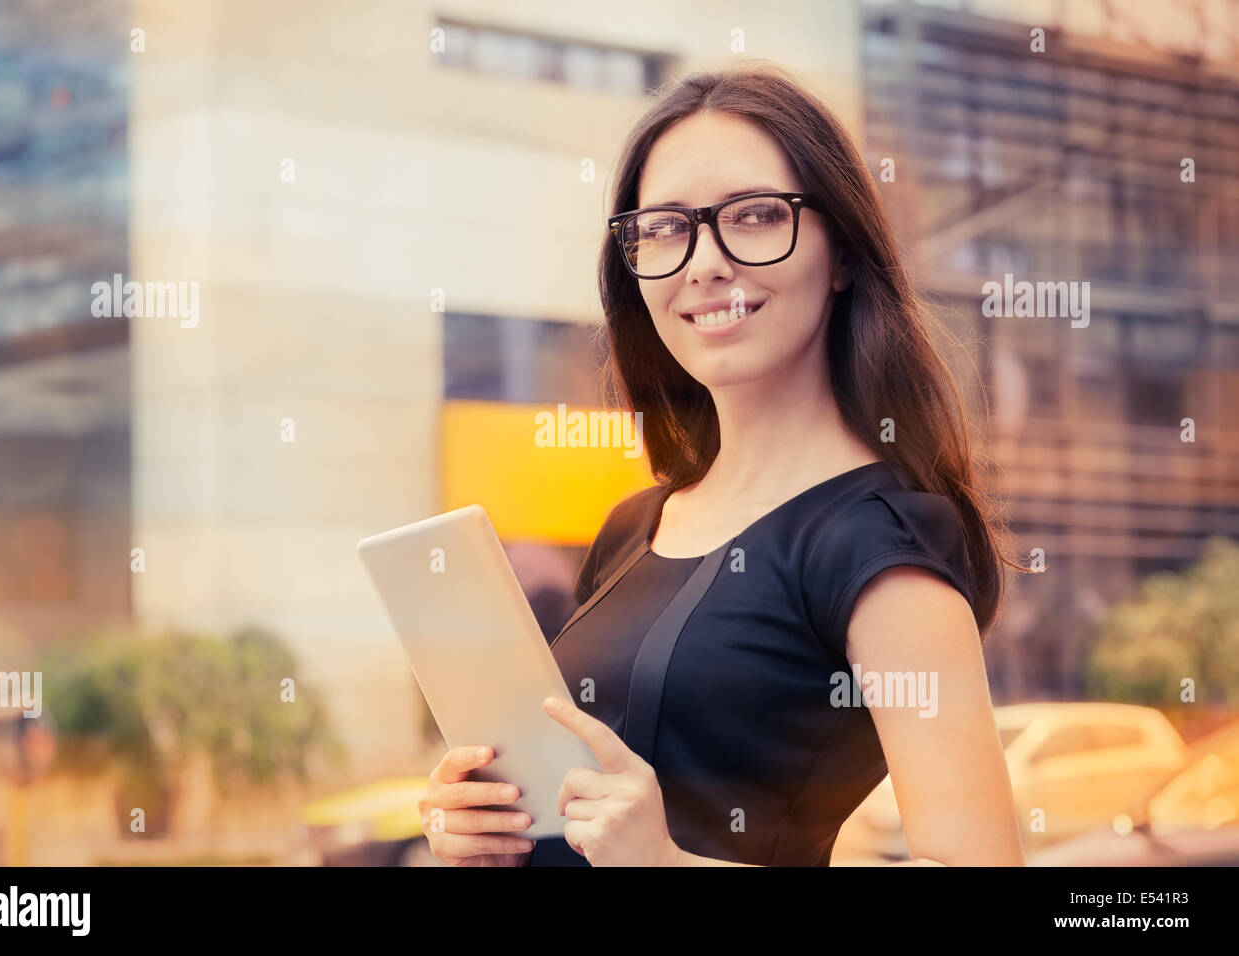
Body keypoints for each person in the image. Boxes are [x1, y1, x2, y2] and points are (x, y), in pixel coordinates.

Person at [419, 61, 1027, 867]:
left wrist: (670, 864)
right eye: (665, 227)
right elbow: (582, 814)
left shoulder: (879, 542)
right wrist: (485, 829)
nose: (703, 262)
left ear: (841, 253)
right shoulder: (634, 527)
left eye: (753, 215)